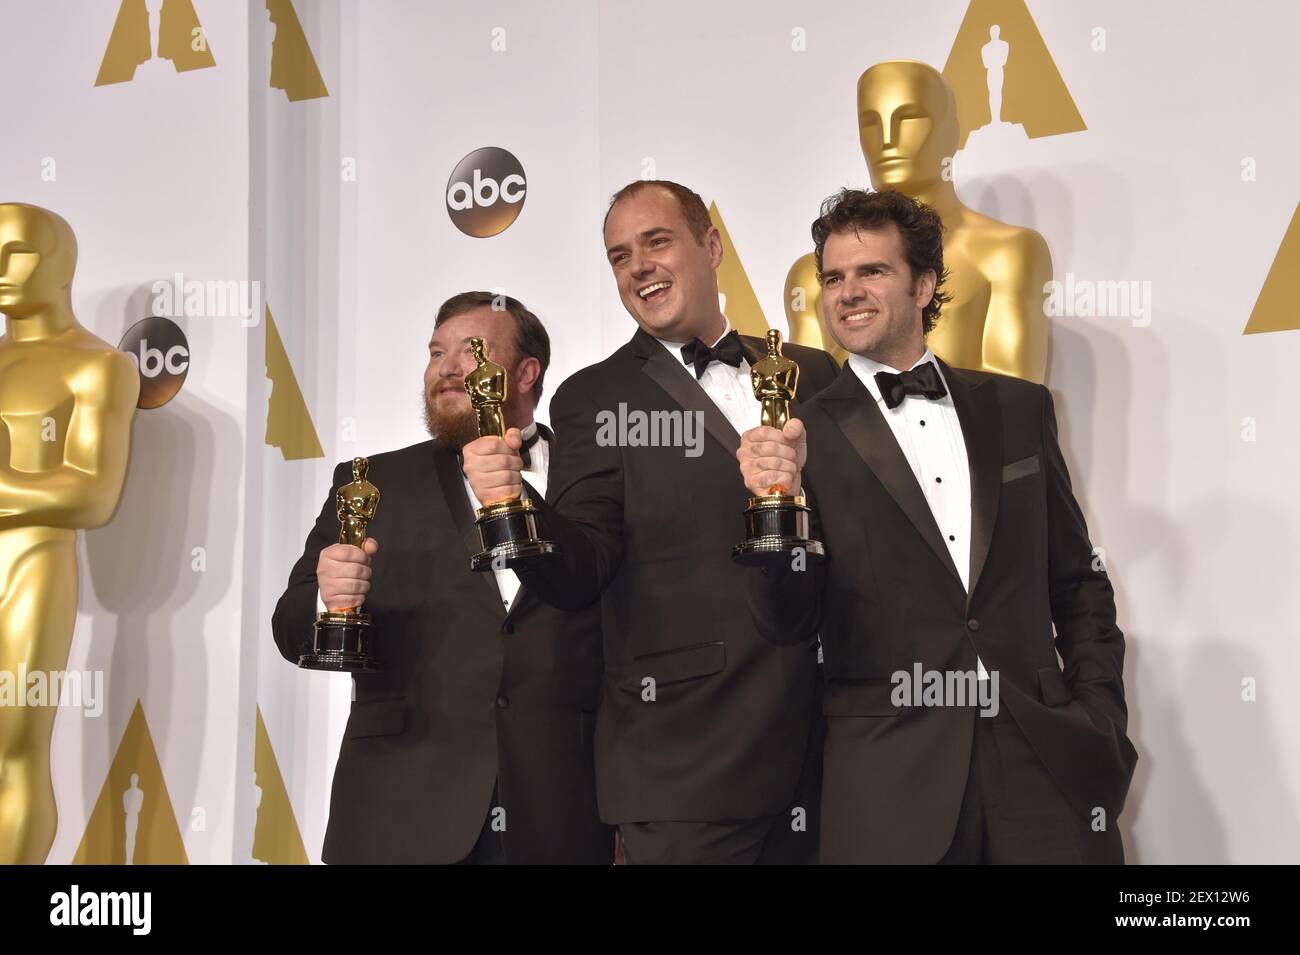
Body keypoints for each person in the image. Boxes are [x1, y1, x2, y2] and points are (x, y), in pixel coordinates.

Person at [740, 188, 1137, 863]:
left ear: (924, 284)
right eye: (833, 277)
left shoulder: (1019, 407)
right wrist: (780, 505)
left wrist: (1098, 717)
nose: (847, 292)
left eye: (873, 271)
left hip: (1044, 764)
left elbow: (1077, 582)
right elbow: (783, 621)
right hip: (890, 781)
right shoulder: (795, 434)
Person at [463, 180, 839, 864]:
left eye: (657, 241)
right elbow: (583, 564)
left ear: (711, 246)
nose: (636, 265)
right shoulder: (596, 396)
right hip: (685, 765)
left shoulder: (809, 371)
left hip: (831, 749)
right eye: (618, 255)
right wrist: (515, 506)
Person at [272, 291, 611, 864]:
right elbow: (289, 624)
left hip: (559, 813)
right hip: (400, 811)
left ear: (526, 373)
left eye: (471, 352)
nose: (447, 369)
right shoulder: (374, 482)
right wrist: (329, 603)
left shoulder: (595, 473)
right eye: (436, 353)